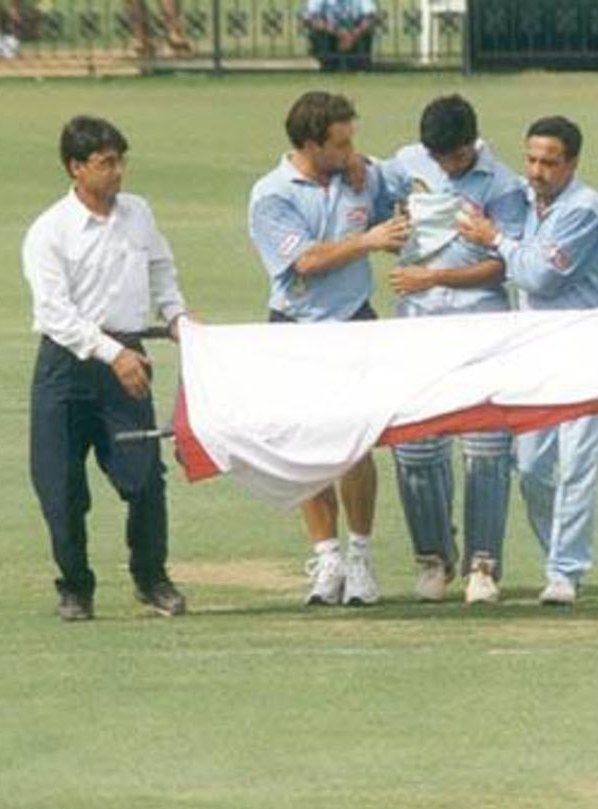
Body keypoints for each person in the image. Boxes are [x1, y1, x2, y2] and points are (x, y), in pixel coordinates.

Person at [22, 116, 190, 622]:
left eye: (120, 161)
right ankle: (75, 586)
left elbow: (160, 267)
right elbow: (55, 314)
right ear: (76, 168)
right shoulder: (50, 231)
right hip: (69, 366)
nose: (118, 173)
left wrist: (176, 313)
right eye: (105, 163)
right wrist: (110, 353)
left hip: (128, 355)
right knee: (61, 486)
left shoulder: (138, 214)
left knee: (144, 477)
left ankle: (151, 577)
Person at [248, 91, 409, 607]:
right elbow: (306, 263)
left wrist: (390, 198)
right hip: (297, 326)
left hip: (354, 321)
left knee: (357, 444)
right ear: (311, 144)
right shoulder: (272, 194)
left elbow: (411, 196)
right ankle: (327, 557)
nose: (350, 149)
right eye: (341, 143)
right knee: (308, 444)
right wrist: (368, 241)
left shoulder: (360, 172)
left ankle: (360, 556)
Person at [377, 94, 528, 604]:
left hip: (479, 322)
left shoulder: (502, 184)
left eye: (455, 158)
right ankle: (432, 557)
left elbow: (504, 266)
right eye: (437, 158)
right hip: (417, 324)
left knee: (486, 448)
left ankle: (483, 564)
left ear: (472, 144)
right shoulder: (405, 164)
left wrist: (435, 275)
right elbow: (383, 214)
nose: (445, 167)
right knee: (415, 445)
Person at [458, 116, 598, 606]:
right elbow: (484, 168)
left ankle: (565, 571)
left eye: (549, 162)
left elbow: (540, 276)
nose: (537, 171)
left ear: (572, 164)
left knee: (577, 462)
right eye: (531, 159)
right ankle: (559, 559)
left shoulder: (584, 208)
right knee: (531, 465)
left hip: (586, 345)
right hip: (536, 350)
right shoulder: (523, 199)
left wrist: (496, 240)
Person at [302, 0, 376, 72]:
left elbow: (370, 17)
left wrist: (354, 34)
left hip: (355, 33)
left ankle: (359, 64)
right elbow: (310, 18)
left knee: (367, 30)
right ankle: (329, 63)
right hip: (329, 34)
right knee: (318, 31)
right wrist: (337, 33)